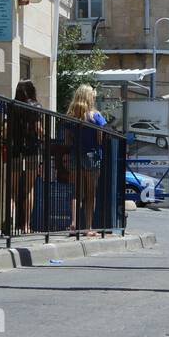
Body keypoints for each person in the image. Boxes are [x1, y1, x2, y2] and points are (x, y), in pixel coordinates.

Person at [2, 80, 43, 234]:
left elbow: (5, 130)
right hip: (32, 150)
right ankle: (25, 225)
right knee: (29, 189)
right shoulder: (37, 106)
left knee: (12, 189)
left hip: (15, 149)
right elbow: (39, 130)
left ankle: (10, 221)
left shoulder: (12, 106)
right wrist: (41, 135)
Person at [66, 84, 106, 236]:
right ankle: (88, 228)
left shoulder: (70, 115)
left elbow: (68, 140)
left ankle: (74, 224)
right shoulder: (95, 116)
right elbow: (100, 138)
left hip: (75, 155)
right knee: (90, 193)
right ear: (90, 98)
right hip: (91, 156)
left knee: (76, 192)